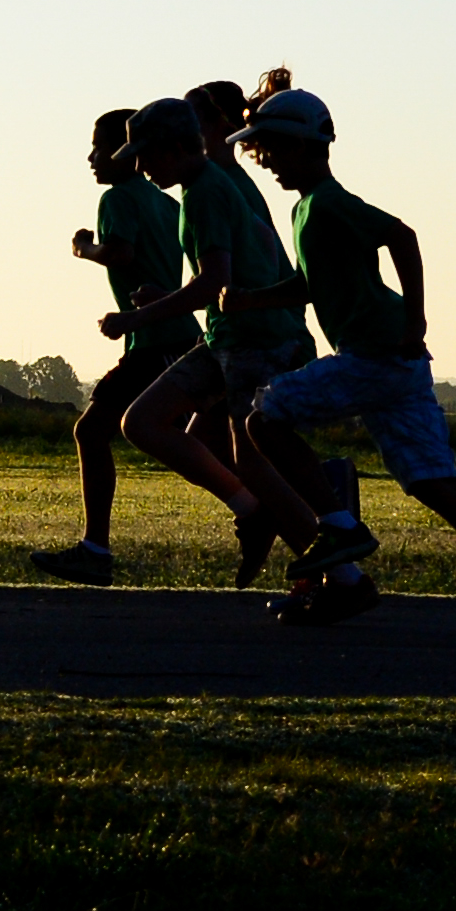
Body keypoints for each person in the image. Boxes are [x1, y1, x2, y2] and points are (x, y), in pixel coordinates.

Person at [181, 85, 456, 638]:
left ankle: (338, 525)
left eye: (272, 149)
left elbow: (402, 237)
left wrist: (416, 320)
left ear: (302, 146)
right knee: (430, 481)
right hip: (396, 367)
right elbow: (314, 284)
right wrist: (252, 299)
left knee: (264, 419)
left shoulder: (330, 203)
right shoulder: (306, 209)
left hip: (376, 355)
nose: (265, 161)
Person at [111, 75, 318, 583]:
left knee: (251, 456)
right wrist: (169, 298)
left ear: (178, 146)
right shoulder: (205, 187)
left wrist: (138, 318)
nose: (140, 168)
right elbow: (251, 256)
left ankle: (334, 570)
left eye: (146, 155)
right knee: (143, 422)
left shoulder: (207, 192)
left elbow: (215, 281)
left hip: (255, 340)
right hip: (226, 336)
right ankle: (258, 511)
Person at [40, 108, 191, 585]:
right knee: (203, 441)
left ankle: (95, 548)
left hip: (156, 339)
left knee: (92, 431)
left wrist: (84, 249)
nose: (92, 158)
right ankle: (310, 495)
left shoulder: (117, 198)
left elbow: (122, 253)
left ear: (127, 152)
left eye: (99, 148)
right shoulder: (166, 202)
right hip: (175, 335)